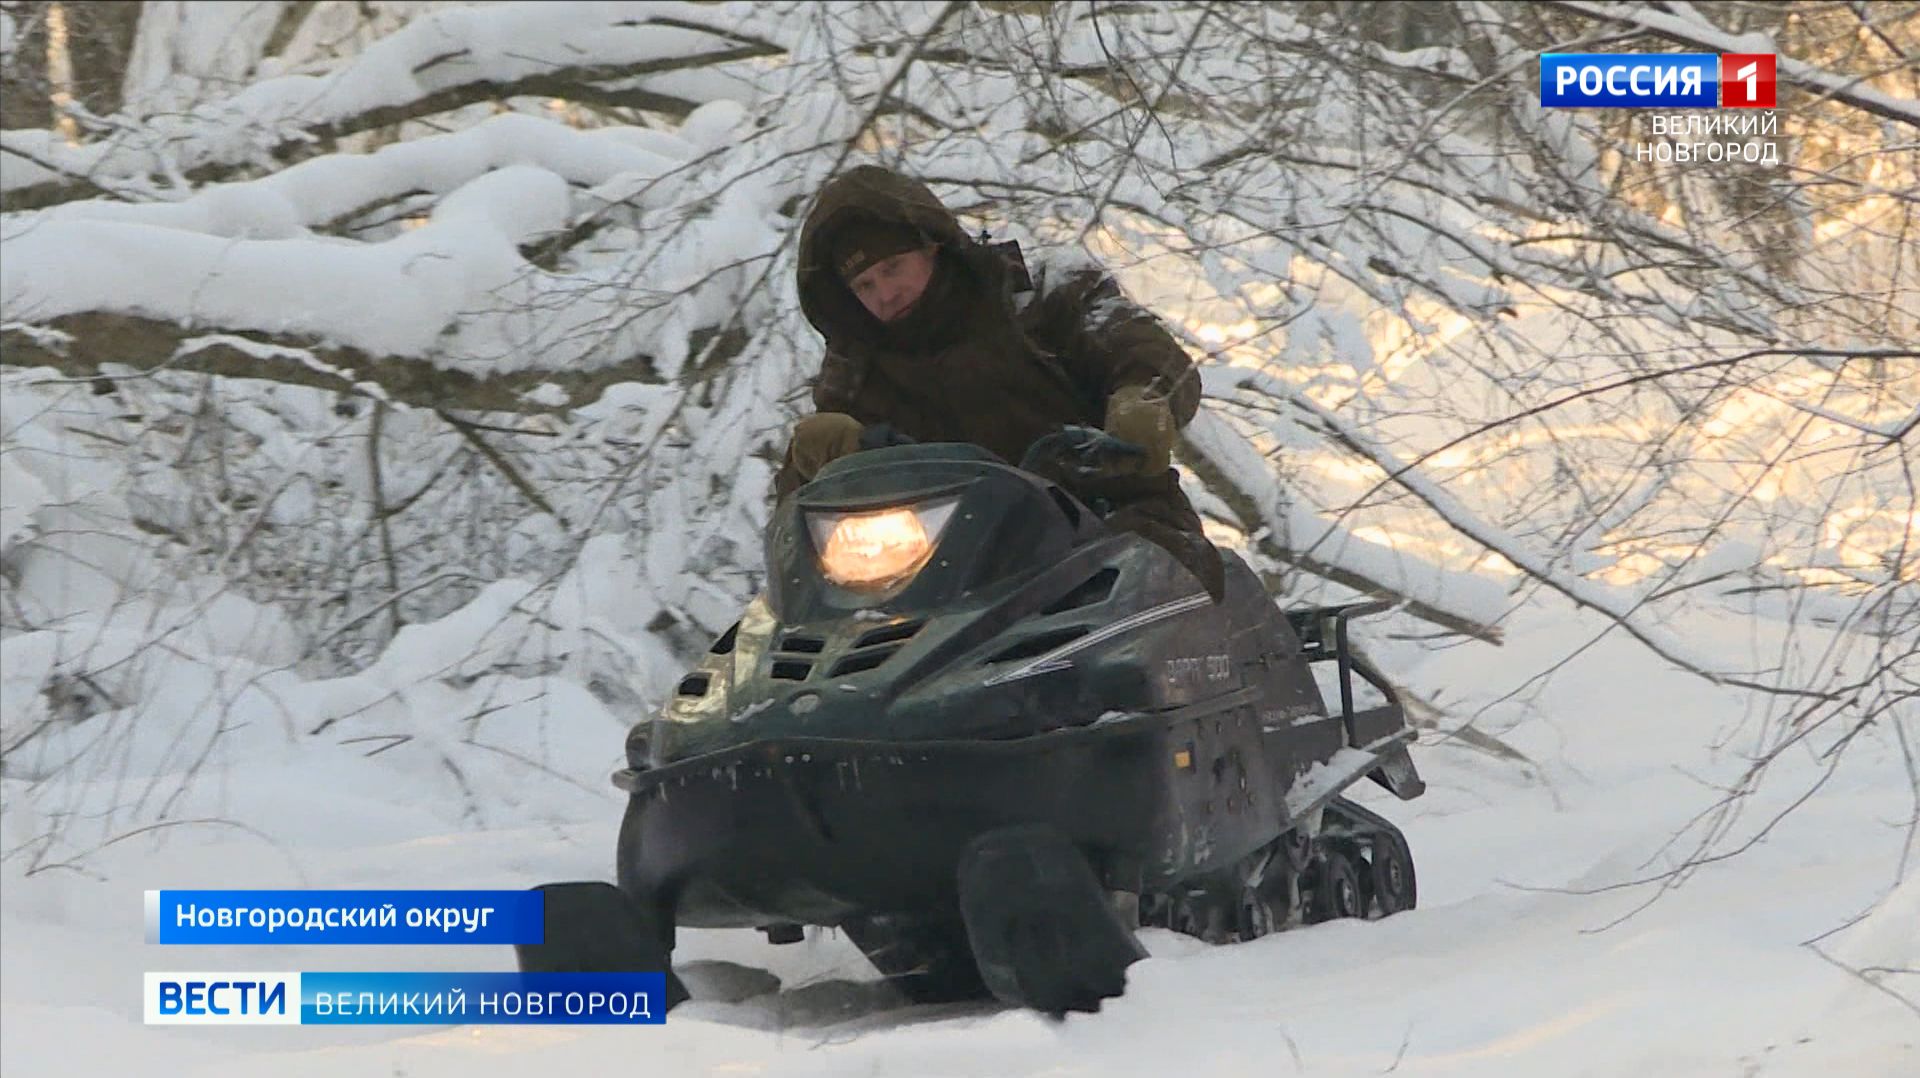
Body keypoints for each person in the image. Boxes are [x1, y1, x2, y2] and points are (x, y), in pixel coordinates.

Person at [776, 164, 1225, 600]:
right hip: (945, 578)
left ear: (932, 245)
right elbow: (801, 526)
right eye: (865, 285)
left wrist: (1142, 400)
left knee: (1148, 601)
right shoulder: (855, 380)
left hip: (1111, 518)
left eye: (893, 267)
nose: (885, 294)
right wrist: (815, 462)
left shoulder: (1041, 297)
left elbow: (1143, 349)